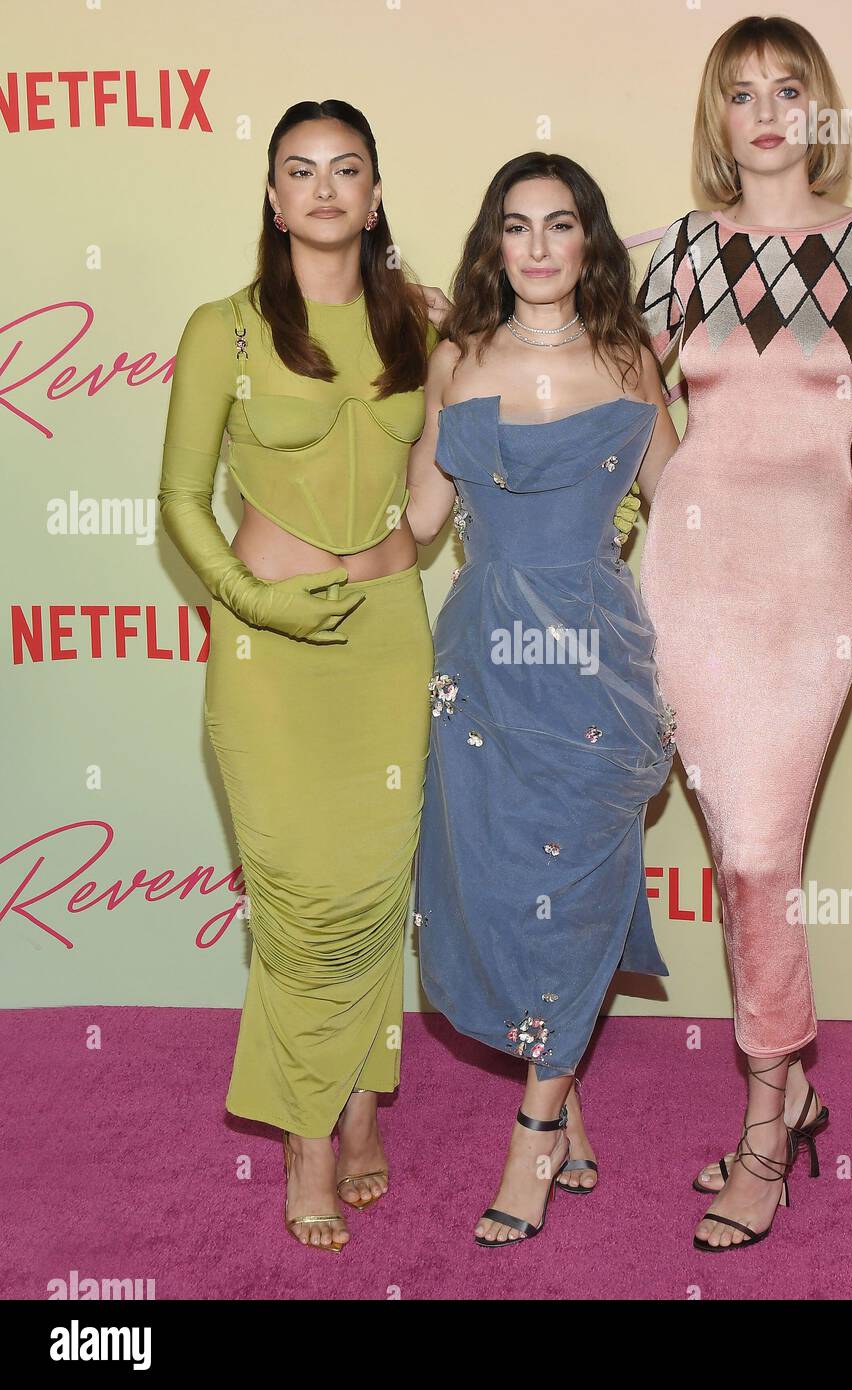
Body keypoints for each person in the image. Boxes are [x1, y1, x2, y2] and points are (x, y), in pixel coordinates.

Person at [633, 16, 852, 1249]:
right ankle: (787, 1087)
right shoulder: (679, 253)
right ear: (714, 118)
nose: (765, 111)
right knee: (735, 858)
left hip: (812, 583)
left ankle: (766, 1125)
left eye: (785, 88)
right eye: (739, 93)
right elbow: (623, 384)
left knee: (763, 855)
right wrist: (657, 500)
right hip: (690, 581)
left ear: (816, 106)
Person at [157, 99, 446, 1252]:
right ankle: (308, 1139)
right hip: (266, 649)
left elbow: (434, 496)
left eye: (347, 169)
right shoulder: (219, 329)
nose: (324, 188)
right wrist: (252, 599)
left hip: (384, 639)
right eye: (299, 171)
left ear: (374, 197)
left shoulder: (421, 326)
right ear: (273, 199)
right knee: (296, 905)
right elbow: (180, 501)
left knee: (374, 896)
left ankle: (363, 1103)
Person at [405, 152, 679, 1246]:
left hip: (596, 659)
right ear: (493, 244)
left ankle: (532, 1131)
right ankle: (559, 1085)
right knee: (506, 880)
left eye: (557, 225)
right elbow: (422, 521)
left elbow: (684, 502)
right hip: (478, 660)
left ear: (586, 243)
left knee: (582, 877)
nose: (534, 245)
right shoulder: (454, 359)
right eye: (514, 226)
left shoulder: (628, 357)